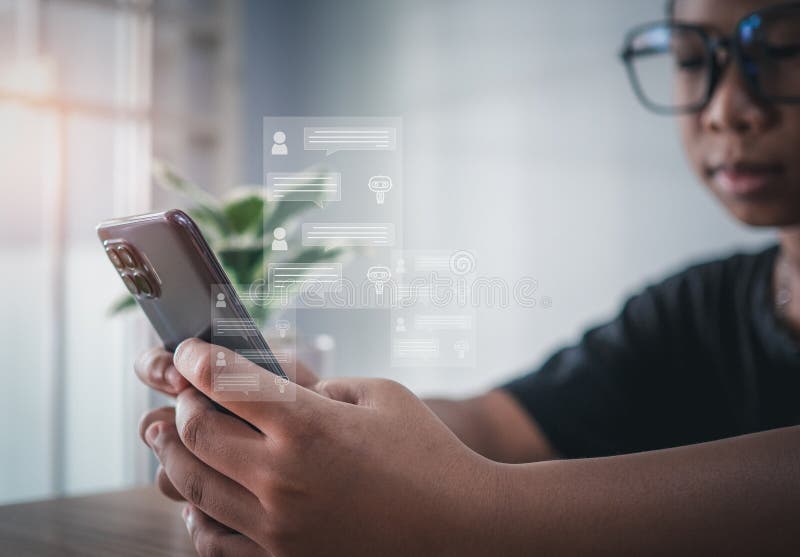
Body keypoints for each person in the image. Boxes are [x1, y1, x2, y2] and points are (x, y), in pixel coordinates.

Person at [134, 0, 800, 555]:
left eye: (781, 48)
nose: (726, 108)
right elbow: (500, 421)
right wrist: (322, 422)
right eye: (690, 60)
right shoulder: (694, 310)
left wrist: (464, 514)